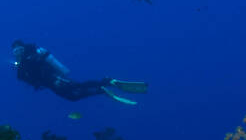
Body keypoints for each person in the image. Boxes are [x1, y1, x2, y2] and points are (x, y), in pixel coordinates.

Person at [10, 40, 148, 104]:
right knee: (73, 97)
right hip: (50, 84)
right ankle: (102, 88)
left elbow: (41, 69)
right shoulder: (22, 65)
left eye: (19, 49)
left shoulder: (32, 57)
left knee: (78, 86)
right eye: (15, 51)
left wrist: (55, 78)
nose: (18, 52)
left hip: (55, 80)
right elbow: (26, 78)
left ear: (23, 49)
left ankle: (106, 82)